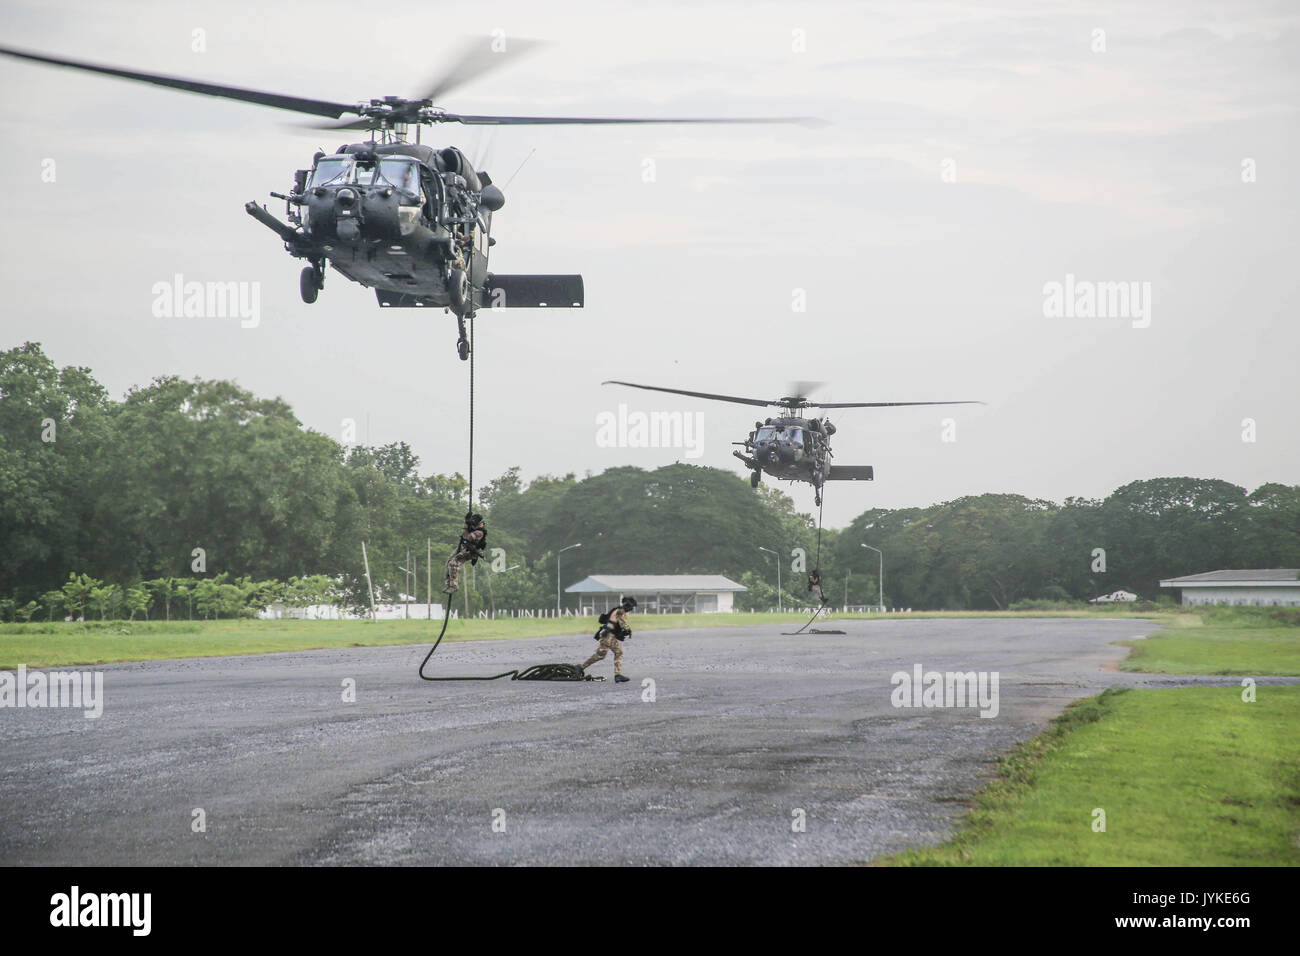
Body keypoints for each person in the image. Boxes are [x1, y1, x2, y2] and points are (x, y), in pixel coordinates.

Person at [580, 596, 637, 683]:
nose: (631, 609)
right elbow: (622, 623)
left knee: (617, 652)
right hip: (608, 635)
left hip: (609, 635)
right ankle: (580, 667)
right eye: (631, 607)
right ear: (628, 606)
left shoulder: (617, 610)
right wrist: (628, 630)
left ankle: (618, 675)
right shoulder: (620, 611)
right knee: (601, 655)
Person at [443, 512, 486, 595]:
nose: (473, 526)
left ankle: (454, 586)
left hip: (470, 551)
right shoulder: (473, 528)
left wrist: (466, 524)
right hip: (463, 546)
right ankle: (448, 584)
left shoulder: (480, 532)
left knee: (453, 563)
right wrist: (467, 521)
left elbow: (467, 537)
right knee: (448, 562)